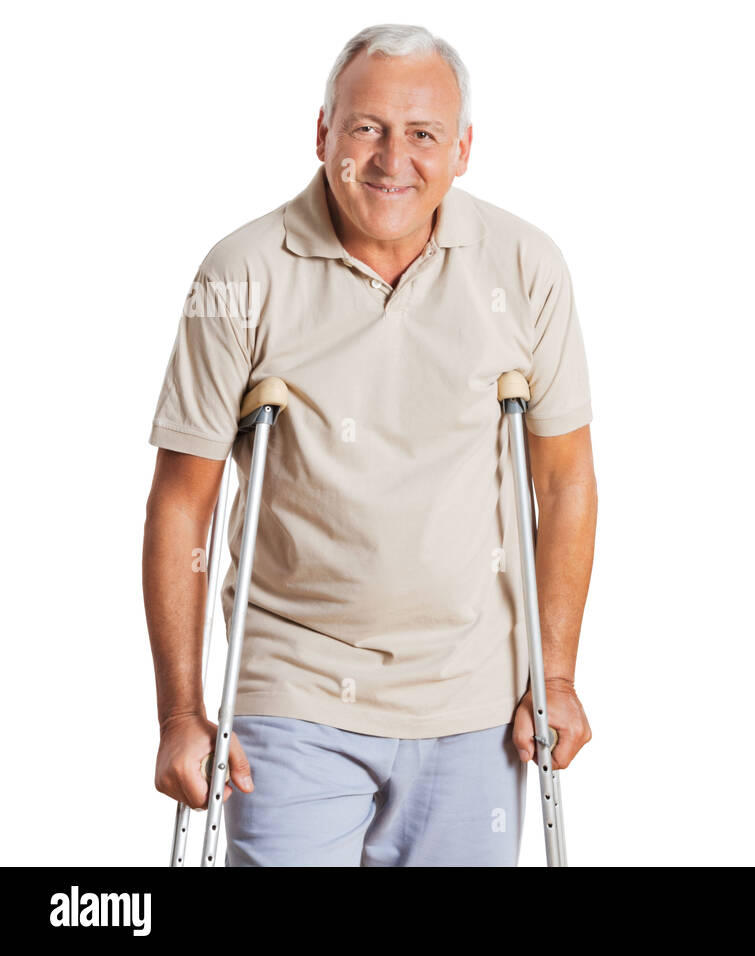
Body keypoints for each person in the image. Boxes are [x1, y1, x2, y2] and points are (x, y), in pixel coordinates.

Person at [142, 23, 597, 866]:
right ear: (323, 134)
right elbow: (183, 503)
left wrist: (556, 677)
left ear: (462, 150)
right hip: (293, 688)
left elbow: (564, 480)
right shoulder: (240, 273)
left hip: (473, 702)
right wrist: (180, 713)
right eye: (366, 128)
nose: (394, 158)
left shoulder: (527, 267)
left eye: (423, 134)